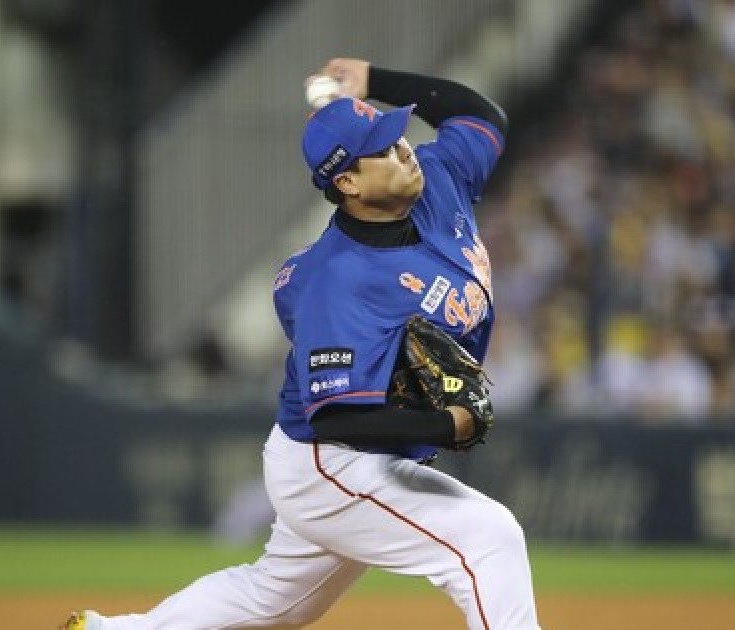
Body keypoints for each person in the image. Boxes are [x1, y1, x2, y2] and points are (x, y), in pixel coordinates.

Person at [61, 57, 541, 630]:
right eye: (384, 150)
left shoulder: (437, 180)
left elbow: (480, 116)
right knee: (488, 538)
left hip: (354, 453)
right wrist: (446, 425)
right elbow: (337, 416)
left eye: (398, 136)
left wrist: (374, 82)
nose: (405, 150)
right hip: (329, 462)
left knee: (274, 601)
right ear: (348, 183)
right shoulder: (336, 282)